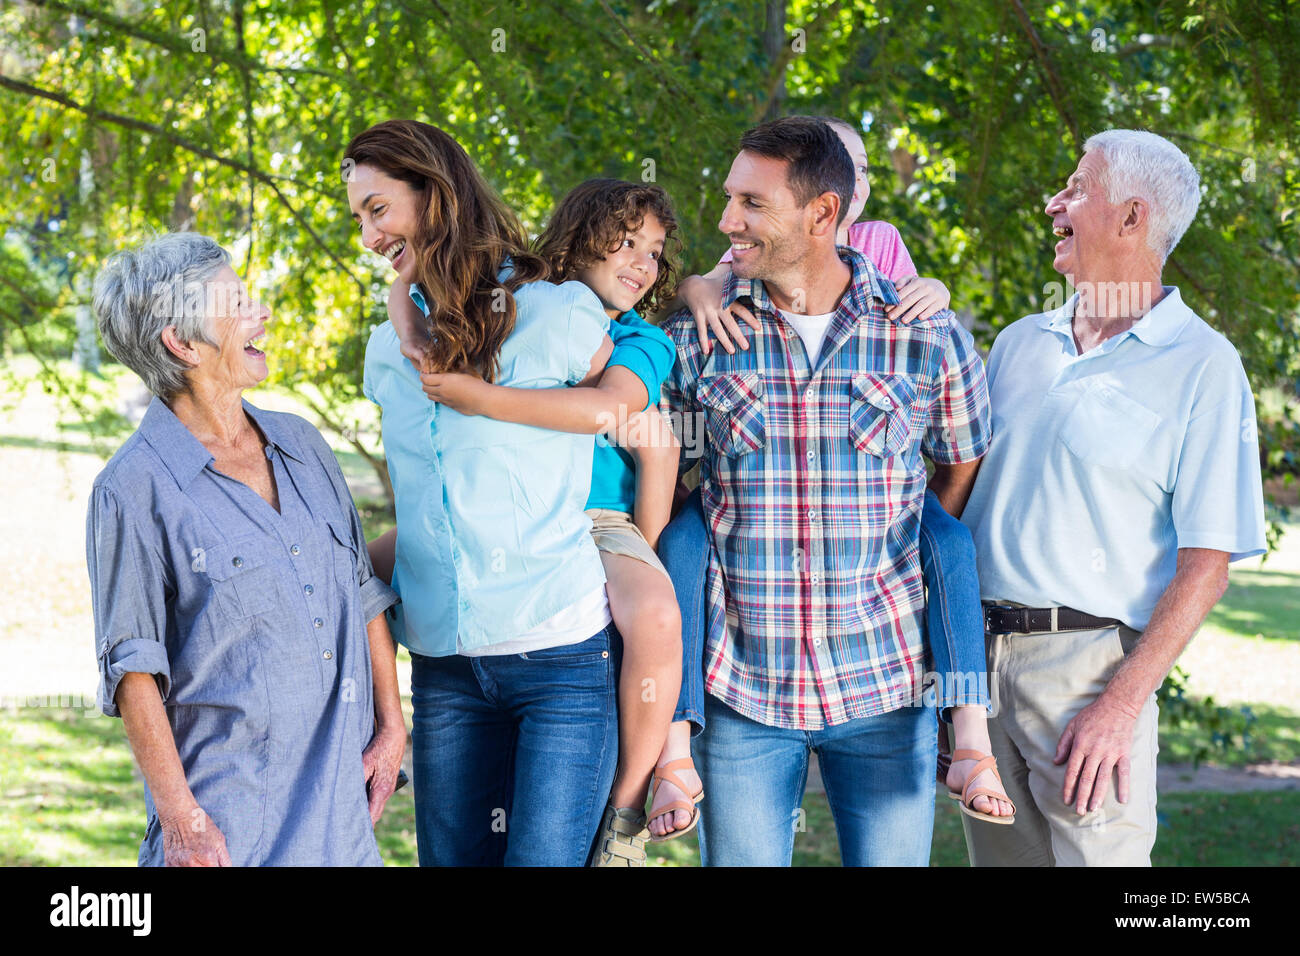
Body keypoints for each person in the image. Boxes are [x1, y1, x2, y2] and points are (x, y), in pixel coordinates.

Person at [661, 114, 1014, 834]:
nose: (727, 219)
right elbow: (665, 483)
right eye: (732, 198)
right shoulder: (701, 334)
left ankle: (968, 732)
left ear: (823, 213)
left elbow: (960, 458)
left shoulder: (923, 334)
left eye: (752, 203)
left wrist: (903, 540)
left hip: (886, 687)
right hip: (742, 697)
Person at [957, 129, 1267, 866]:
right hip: (977, 669)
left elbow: (1207, 565)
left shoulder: (1204, 367)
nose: (1053, 203)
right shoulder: (1018, 343)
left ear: (1131, 218)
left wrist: (1120, 705)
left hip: (1088, 678)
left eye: (1076, 187)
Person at [349, 120, 633, 866]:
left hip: (563, 659)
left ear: (434, 192)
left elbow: (631, 415)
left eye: (378, 209)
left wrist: (644, 543)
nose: (369, 234)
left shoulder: (557, 310)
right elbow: (429, 504)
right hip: (445, 666)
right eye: (359, 219)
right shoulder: (386, 351)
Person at [386, 178, 692, 866]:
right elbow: (422, 290)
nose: (644, 262)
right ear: (581, 238)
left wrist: (479, 398)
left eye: (655, 252)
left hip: (593, 518)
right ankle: (374, 739)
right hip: (493, 515)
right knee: (359, 572)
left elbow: (624, 423)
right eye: (627, 242)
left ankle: (625, 812)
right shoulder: (516, 303)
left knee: (654, 616)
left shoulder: (638, 339)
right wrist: (406, 313)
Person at [86, 232, 404, 866]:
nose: (262, 312)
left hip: (343, 829)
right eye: (236, 302)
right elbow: (133, 669)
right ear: (182, 343)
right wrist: (182, 821)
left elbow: (361, 588)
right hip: (230, 833)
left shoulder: (303, 445)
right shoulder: (131, 489)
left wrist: (391, 726)